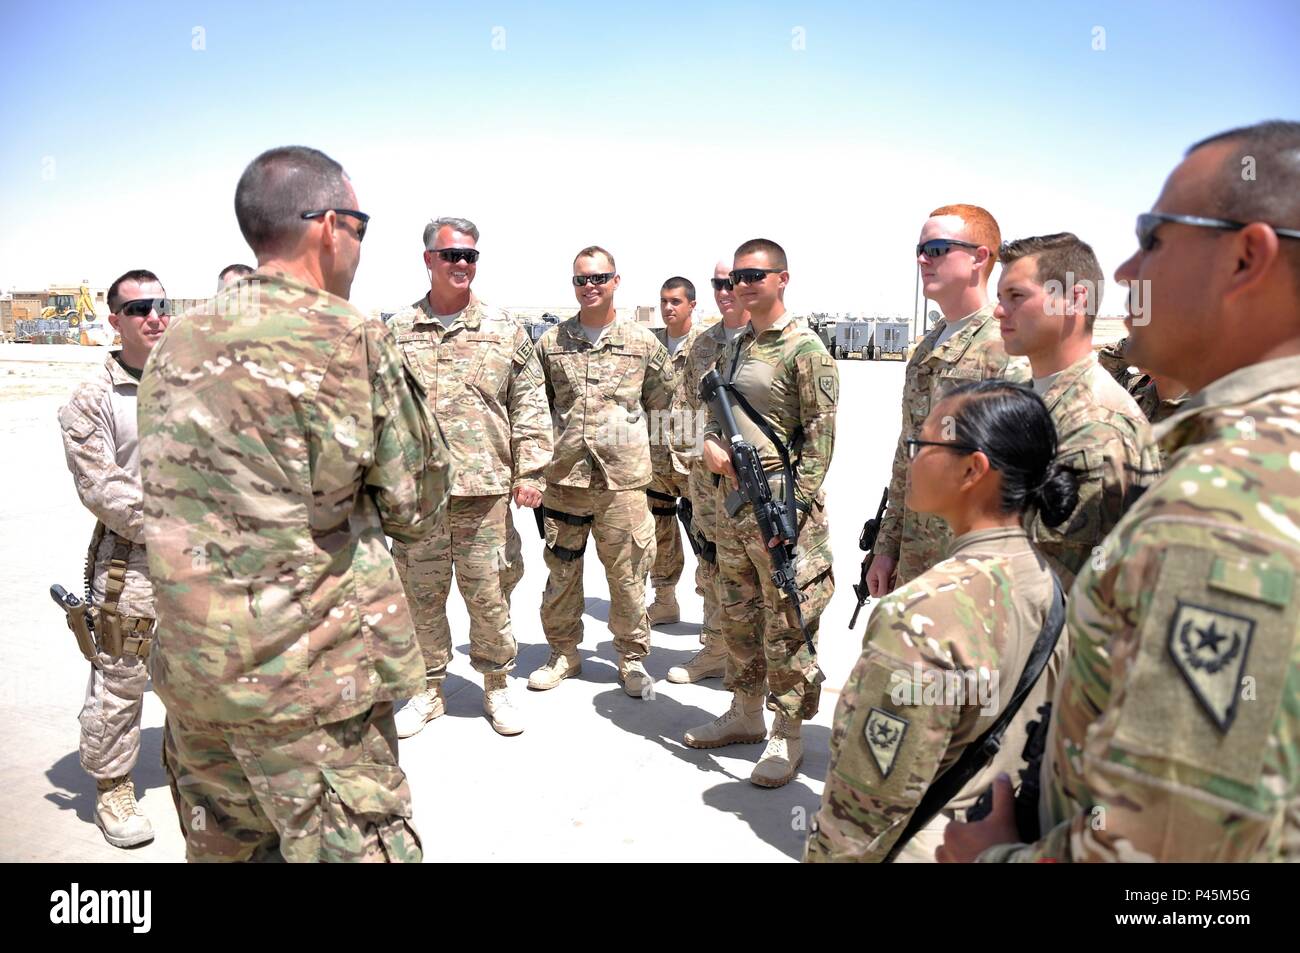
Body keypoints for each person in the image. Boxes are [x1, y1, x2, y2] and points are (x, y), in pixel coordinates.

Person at [941, 119, 1300, 863]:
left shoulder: (1231, 503)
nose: (1129, 272)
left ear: (1247, 256)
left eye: (1155, 237)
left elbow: (1180, 854)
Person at [138, 145, 452, 862]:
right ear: (329, 226)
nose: (361, 247)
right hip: (311, 697)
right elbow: (417, 503)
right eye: (362, 226)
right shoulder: (349, 338)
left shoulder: (176, 340)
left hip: (197, 688)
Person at [805, 382, 1077, 862]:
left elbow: (860, 817)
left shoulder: (918, 617)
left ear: (974, 469)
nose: (911, 459)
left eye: (924, 445)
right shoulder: (1044, 581)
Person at [387, 217, 551, 738]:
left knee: (490, 594)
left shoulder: (504, 330)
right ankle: (427, 689)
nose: (462, 264)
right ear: (429, 260)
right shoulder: (395, 330)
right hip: (419, 497)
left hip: (485, 493)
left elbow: (530, 407)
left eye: (470, 256)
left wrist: (532, 471)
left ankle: (497, 686)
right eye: (452, 255)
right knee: (420, 595)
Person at [684, 238, 836, 789]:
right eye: (736, 277)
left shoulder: (805, 349)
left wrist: (789, 518)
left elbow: (820, 446)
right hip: (732, 506)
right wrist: (707, 444)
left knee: (788, 623)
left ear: (782, 279)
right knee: (739, 614)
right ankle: (745, 713)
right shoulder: (735, 346)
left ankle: (786, 732)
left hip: (779, 508)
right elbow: (713, 412)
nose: (743, 285)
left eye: (756, 275)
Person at [57, 269, 172, 848]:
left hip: (200, 559)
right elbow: (102, 488)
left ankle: (189, 767)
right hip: (131, 562)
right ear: (116, 320)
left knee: (195, 673)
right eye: (138, 308)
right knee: (121, 677)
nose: (154, 316)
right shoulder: (91, 400)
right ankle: (112, 786)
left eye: (160, 304)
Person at [529, 246, 675, 697]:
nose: (590, 287)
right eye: (581, 280)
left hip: (623, 483)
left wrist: (669, 470)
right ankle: (563, 653)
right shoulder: (551, 344)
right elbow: (535, 410)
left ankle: (631, 659)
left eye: (599, 278)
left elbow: (665, 406)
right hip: (565, 480)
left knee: (629, 575)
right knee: (561, 572)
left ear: (616, 280)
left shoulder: (642, 343)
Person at [868, 205, 1028, 598]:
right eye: (920, 249)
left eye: (937, 248)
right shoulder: (926, 347)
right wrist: (887, 547)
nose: (923, 259)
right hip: (916, 561)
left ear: (979, 257)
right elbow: (908, 458)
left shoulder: (1009, 348)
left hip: (973, 572)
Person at [994, 233, 1161, 588]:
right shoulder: (1021, 402)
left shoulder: (1100, 425)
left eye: (1016, 296)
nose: (998, 310)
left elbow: (1086, 589)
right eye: (1000, 297)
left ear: (1074, 299)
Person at [665, 262, 751, 684]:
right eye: (718, 282)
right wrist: (698, 449)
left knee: (758, 572)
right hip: (705, 479)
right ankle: (716, 648)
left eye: (733, 281)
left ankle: (757, 660)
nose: (725, 290)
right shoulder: (702, 345)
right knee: (711, 564)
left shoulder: (770, 340)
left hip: (755, 482)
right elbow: (679, 410)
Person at [646, 276, 702, 625]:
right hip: (655, 457)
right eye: (664, 301)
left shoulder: (705, 345)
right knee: (659, 532)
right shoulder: (650, 344)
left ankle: (713, 614)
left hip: (694, 456)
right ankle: (664, 599)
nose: (668, 308)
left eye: (676, 302)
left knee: (705, 536)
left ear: (691, 305)